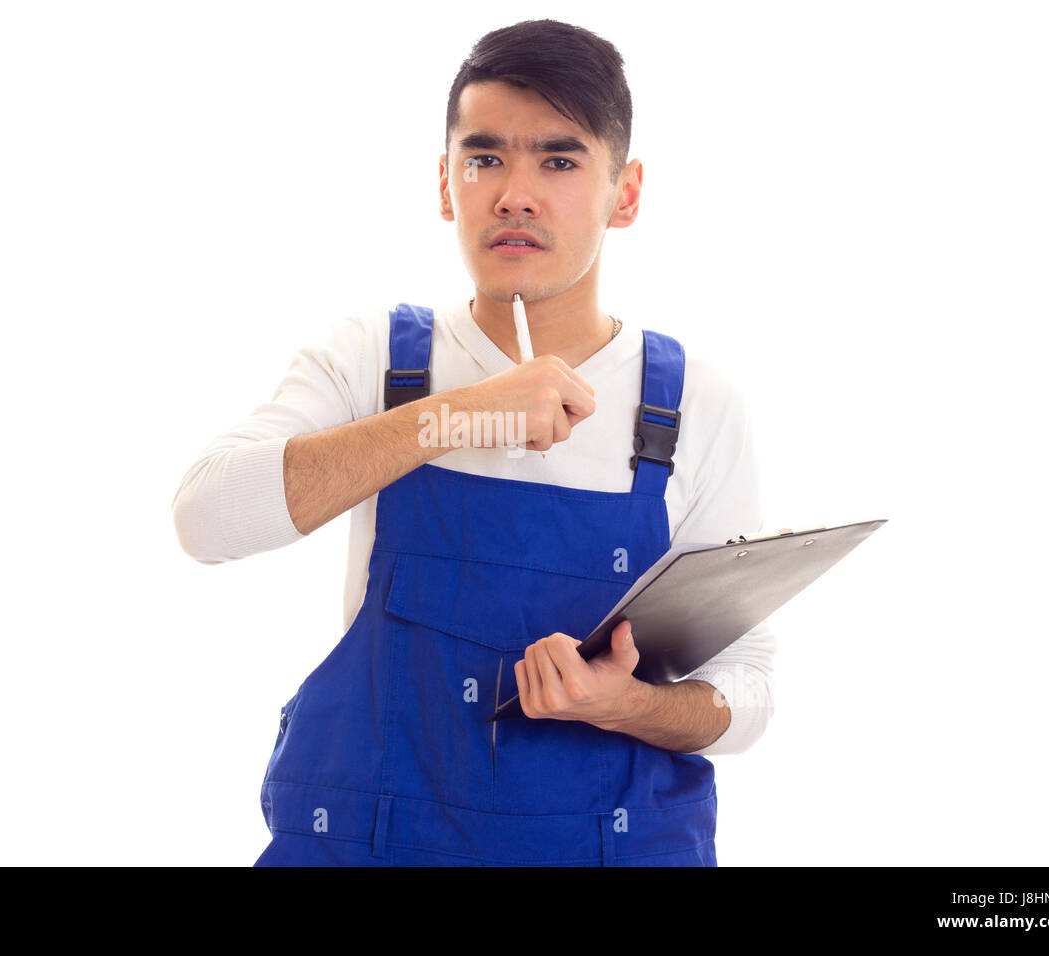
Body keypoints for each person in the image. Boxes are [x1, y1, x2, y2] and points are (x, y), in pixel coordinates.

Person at [172, 18, 776, 867]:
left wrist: (623, 705)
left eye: (559, 161)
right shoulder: (375, 360)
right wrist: (456, 416)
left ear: (626, 193)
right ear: (447, 184)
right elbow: (206, 517)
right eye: (485, 158)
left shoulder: (695, 405)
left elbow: (748, 692)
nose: (514, 195)